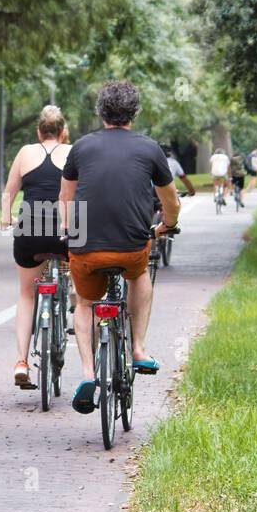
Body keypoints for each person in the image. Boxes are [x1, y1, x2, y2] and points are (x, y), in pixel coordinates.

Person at [59, 80, 180, 415]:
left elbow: (66, 197)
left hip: (86, 247)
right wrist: (167, 225)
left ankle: (87, 374)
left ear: (101, 112)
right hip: (131, 246)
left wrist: (68, 231)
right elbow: (171, 201)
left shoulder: (80, 147)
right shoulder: (150, 149)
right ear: (133, 113)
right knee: (140, 277)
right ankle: (138, 349)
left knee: (85, 303)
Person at [1, 105, 71, 388]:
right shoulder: (73, 152)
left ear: (39, 132)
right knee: (84, 284)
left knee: (26, 294)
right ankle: (75, 298)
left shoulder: (25, 152)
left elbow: (8, 194)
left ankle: (21, 361)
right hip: (67, 230)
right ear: (63, 132)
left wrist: (7, 219)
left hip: (30, 228)